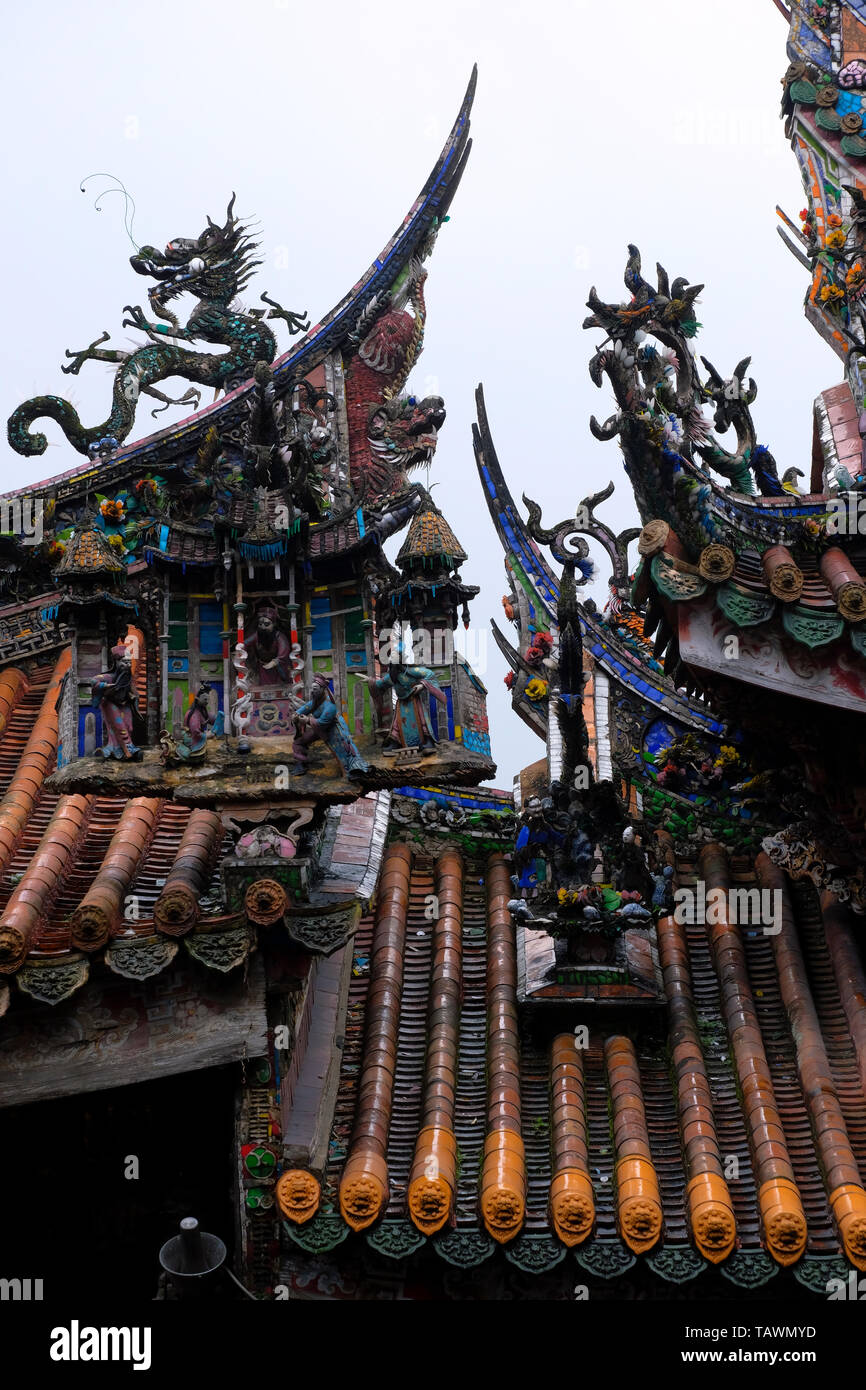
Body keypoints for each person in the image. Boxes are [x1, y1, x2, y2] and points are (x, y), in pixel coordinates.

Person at [360, 662, 446, 755]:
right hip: (401, 704)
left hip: (414, 701)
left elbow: (429, 674)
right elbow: (380, 683)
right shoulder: (392, 677)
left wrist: (422, 685)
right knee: (397, 724)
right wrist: (370, 680)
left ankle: (427, 741)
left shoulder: (412, 671)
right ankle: (395, 742)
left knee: (422, 721)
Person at [292, 674, 368, 779]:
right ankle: (301, 764)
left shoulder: (330, 706)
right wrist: (295, 715)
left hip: (334, 729)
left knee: (345, 749)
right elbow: (304, 709)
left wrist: (307, 720)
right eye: (312, 689)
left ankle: (354, 770)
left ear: (323, 689)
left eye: (315, 689)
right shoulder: (314, 702)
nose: (313, 691)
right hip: (319, 729)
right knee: (298, 742)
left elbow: (322, 722)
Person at [91, 642, 142, 761]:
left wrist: (133, 697)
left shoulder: (127, 678)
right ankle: (127, 749)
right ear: (117, 663)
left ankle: (115, 748)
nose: (128, 665)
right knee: (120, 726)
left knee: (129, 727)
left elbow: (133, 691)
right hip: (110, 703)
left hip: (124, 703)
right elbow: (94, 681)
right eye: (125, 662)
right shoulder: (109, 677)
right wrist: (105, 686)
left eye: (130, 662)